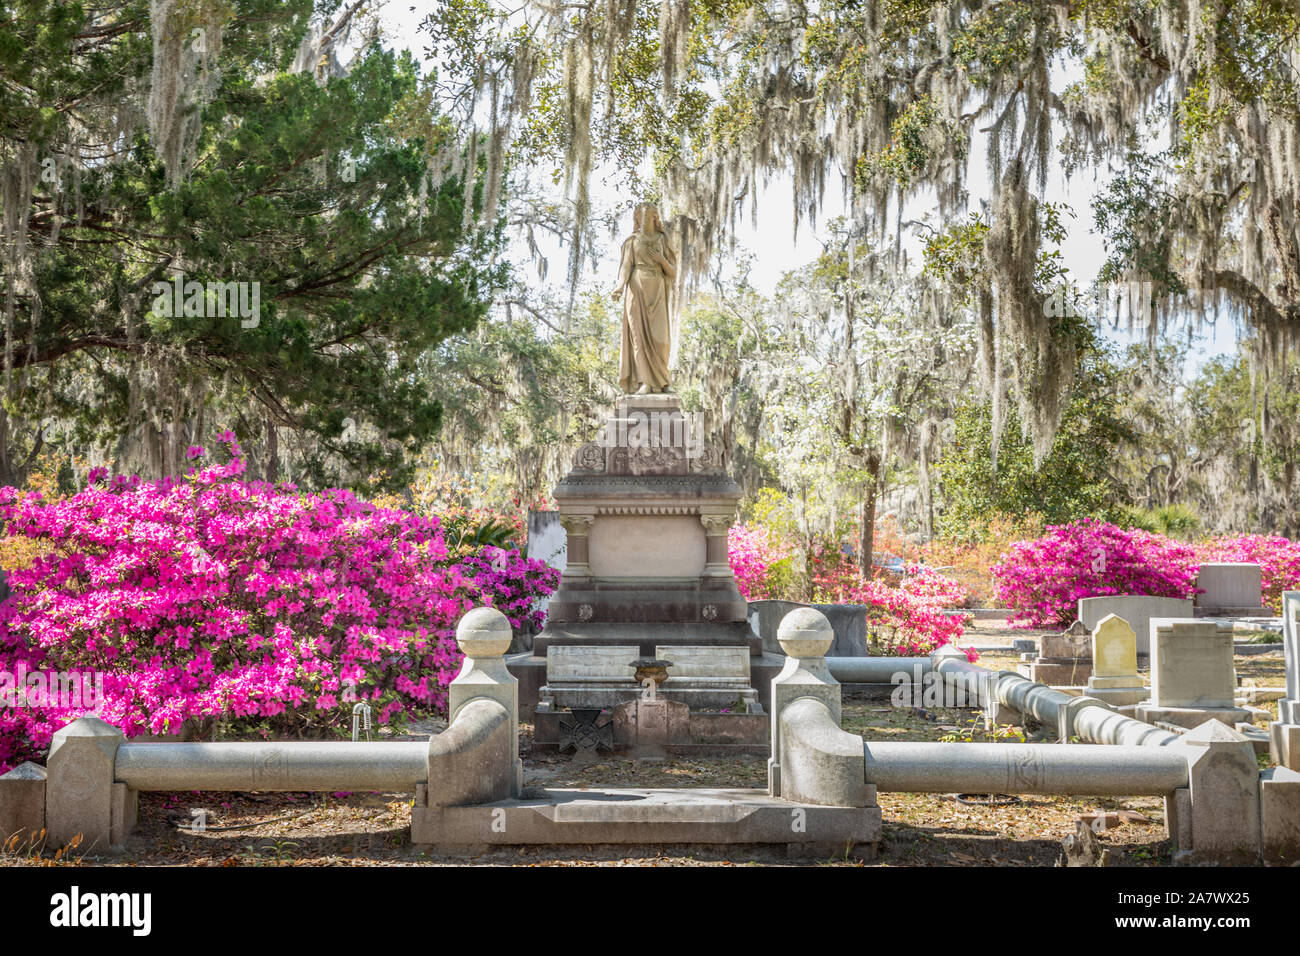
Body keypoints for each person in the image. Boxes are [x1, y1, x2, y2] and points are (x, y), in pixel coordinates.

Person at [611, 203, 677, 394]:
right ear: (636, 218)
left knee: (661, 339)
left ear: (655, 218)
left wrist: (661, 260)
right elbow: (625, 266)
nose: (644, 221)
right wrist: (619, 287)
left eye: (649, 217)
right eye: (641, 217)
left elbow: (672, 272)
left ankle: (664, 382)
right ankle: (645, 381)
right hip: (637, 288)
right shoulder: (631, 242)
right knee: (638, 338)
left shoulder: (663, 240)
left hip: (657, 289)